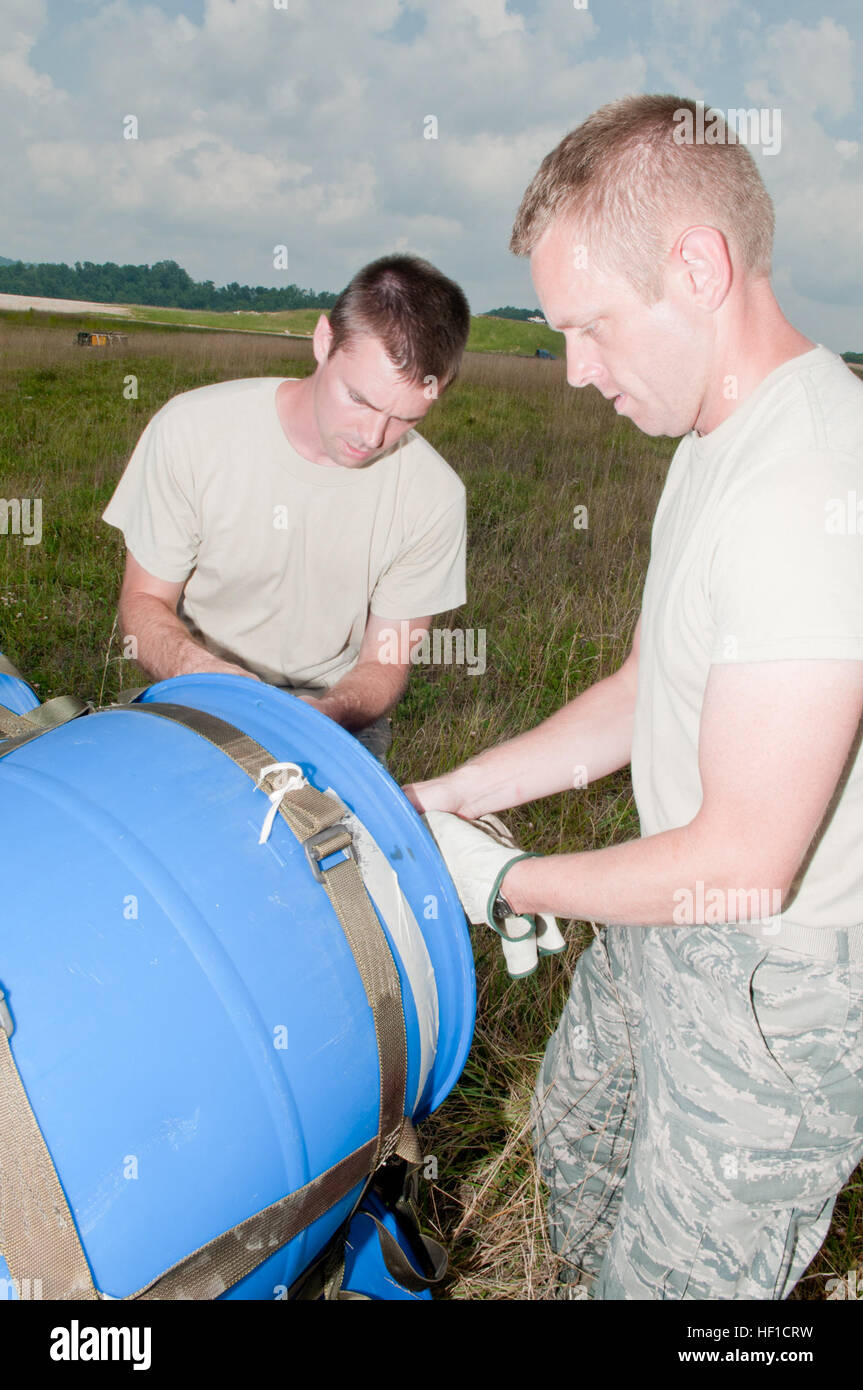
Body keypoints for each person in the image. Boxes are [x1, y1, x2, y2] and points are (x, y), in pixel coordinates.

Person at [407, 95, 863, 1299]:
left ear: (697, 267)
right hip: (670, 912)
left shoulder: (804, 483)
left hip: (770, 980)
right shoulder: (714, 437)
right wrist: (455, 790)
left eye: (591, 327)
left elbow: (751, 857)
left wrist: (503, 879)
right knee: (569, 1151)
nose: (574, 373)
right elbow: (639, 687)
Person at [102, 255, 471, 762]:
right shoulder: (191, 429)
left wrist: (326, 713)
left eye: (404, 418)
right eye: (359, 399)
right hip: (193, 682)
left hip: (331, 712)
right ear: (324, 341)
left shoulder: (435, 495)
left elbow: (385, 662)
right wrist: (201, 674)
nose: (373, 437)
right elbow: (143, 601)